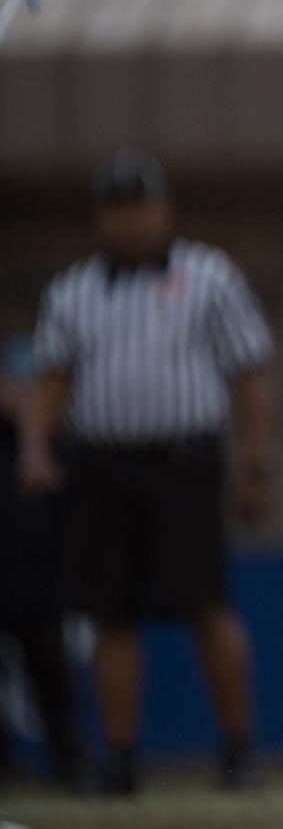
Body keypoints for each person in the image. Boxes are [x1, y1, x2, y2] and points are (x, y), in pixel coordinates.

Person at [16, 152, 273, 793]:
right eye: (118, 209)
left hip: (184, 462)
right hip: (102, 466)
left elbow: (249, 374)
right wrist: (35, 449)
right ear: (101, 218)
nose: (131, 221)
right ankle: (122, 758)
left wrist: (256, 466)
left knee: (207, 605)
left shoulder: (208, 275)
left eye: (141, 207)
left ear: (163, 209)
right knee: (109, 614)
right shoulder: (72, 291)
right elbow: (52, 378)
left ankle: (239, 749)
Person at [0, 334, 83, 790]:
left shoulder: (61, 448)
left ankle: (68, 763)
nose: (24, 396)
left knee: (52, 674)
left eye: (33, 387)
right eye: (16, 384)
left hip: (43, 584)